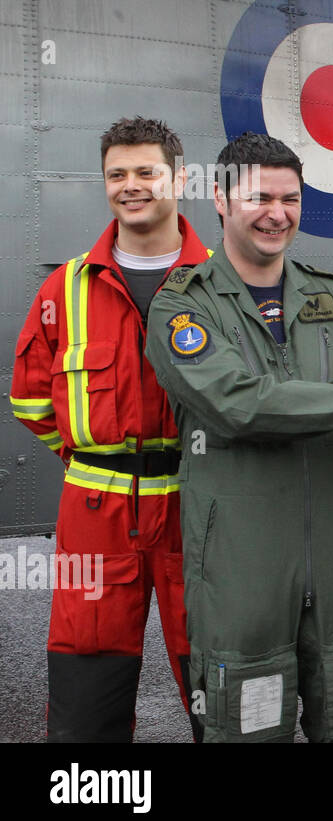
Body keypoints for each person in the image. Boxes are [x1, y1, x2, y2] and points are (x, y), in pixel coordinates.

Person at [145, 132, 333, 742]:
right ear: (219, 198)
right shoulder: (184, 307)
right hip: (243, 561)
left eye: (290, 198)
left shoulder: (332, 297)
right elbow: (237, 405)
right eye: (259, 196)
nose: (276, 212)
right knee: (249, 727)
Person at [10, 117, 209, 741]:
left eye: (146, 172)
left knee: (220, 675)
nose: (131, 186)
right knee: (85, 690)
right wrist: (96, 462)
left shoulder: (222, 282)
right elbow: (31, 401)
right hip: (95, 516)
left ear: (179, 178)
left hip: (202, 506)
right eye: (116, 174)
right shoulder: (64, 290)